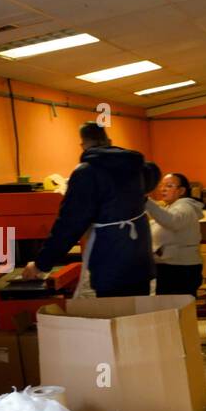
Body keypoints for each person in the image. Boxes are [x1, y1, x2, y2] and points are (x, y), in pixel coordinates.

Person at [25, 122, 156, 297]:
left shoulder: (86, 172)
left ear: (84, 144)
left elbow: (69, 224)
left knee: (114, 317)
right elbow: (154, 172)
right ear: (108, 141)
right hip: (140, 254)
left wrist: (42, 263)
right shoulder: (134, 165)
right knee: (139, 316)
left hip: (111, 258)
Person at [146, 172, 205, 296]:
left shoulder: (185, 207)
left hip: (180, 269)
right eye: (161, 186)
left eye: (169, 186)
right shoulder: (171, 207)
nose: (163, 189)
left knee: (179, 310)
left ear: (182, 190)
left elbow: (172, 221)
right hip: (169, 267)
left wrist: (147, 202)